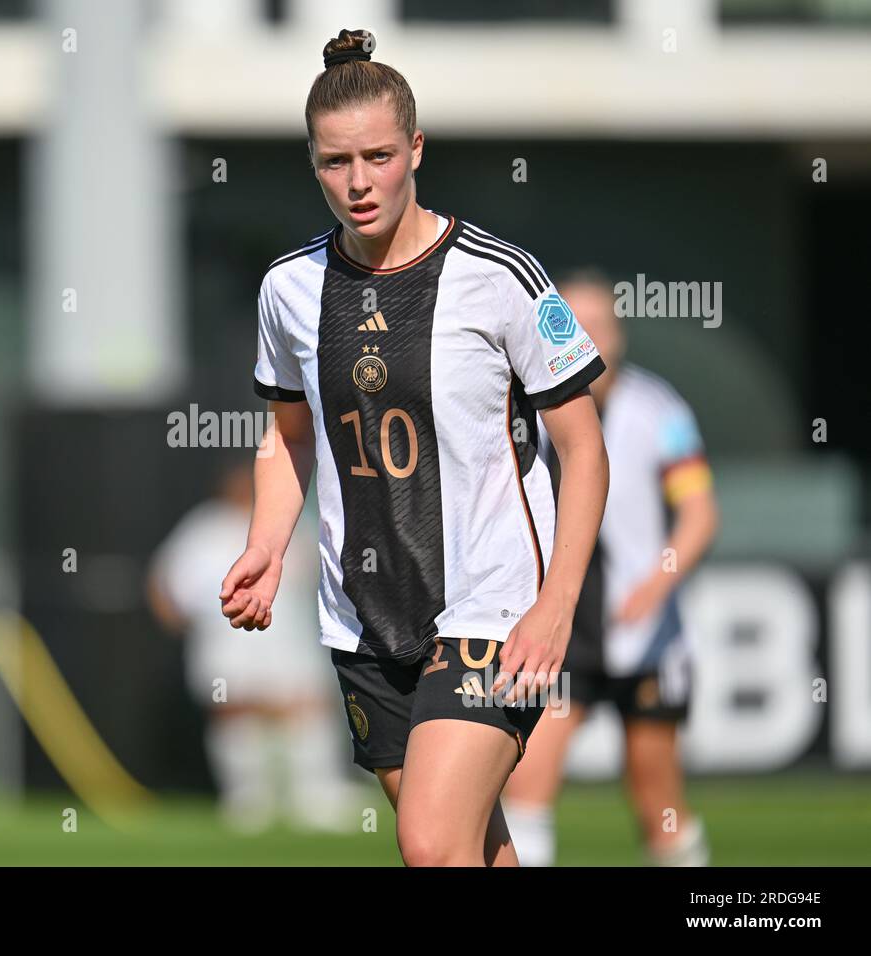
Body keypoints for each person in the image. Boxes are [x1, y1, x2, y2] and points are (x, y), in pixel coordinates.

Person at [219, 29, 609, 866]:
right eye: (335, 162)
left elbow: (585, 447)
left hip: (493, 606)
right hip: (364, 613)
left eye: (378, 156)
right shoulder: (288, 290)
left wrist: (558, 602)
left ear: (417, 148)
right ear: (313, 162)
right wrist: (264, 544)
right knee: (470, 845)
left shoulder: (502, 276)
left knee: (431, 845)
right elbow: (289, 437)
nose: (359, 183)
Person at [502, 270, 718, 867]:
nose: (588, 335)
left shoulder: (659, 409)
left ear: (619, 334)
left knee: (656, 797)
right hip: (562, 625)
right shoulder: (527, 408)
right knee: (527, 785)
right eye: (574, 322)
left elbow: (699, 513)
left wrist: (656, 586)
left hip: (644, 634)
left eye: (600, 323)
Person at [148, 460, 352, 832]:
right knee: (236, 710)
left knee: (303, 706)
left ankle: (317, 797)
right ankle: (247, 799)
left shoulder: (288, 525)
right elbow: (165, 583)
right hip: (225, 641)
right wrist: (186, 626)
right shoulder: (202, 529)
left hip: (286, 636)